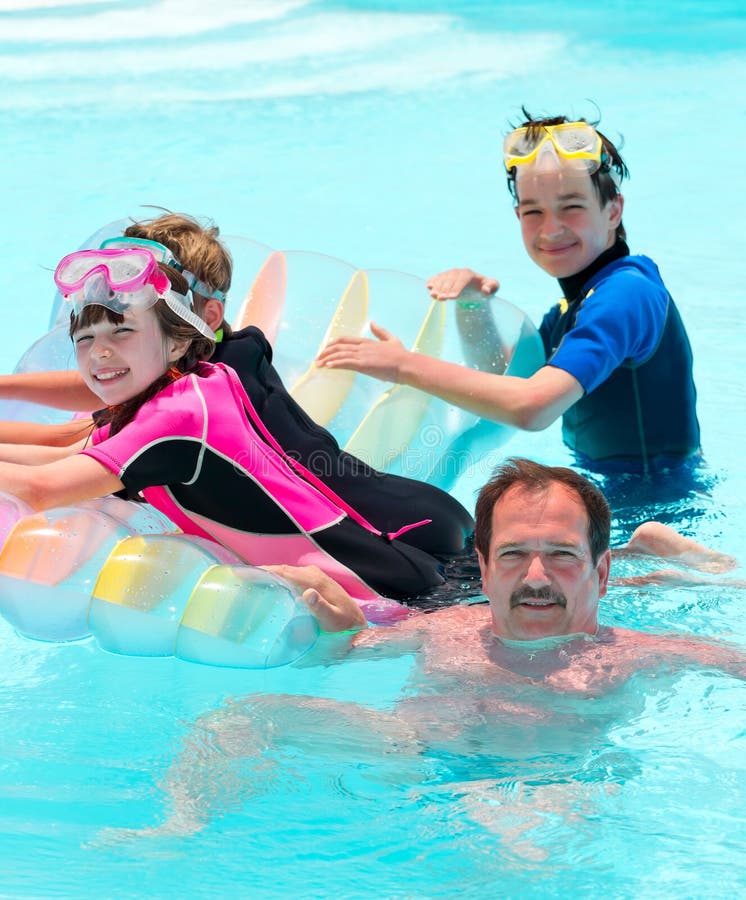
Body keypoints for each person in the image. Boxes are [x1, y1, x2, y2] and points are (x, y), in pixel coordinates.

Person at [108, 458, 742, 840]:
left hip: (548, 782)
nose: (536, 577)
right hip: (409, 755)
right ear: (484, 569)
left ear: (602, 574)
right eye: (513, 555)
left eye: (562, 556)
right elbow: (337, 660)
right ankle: (179, 832)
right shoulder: (445, 629)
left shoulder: (640, 653)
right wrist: (331, 625)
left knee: (525, 848)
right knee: (242, 720)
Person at [0, 245, 478, 625]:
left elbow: (41, 488)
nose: (100, 353)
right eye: (85, 339)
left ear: (179, 340)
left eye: (121, 332)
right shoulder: (180, 392)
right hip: (399, 566)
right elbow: (63, 457)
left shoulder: (179, 415)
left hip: (398, 597)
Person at [316, 113, 701, 475]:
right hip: (615, 490)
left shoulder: (626, 295)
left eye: (571, 206)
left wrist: (403, 366)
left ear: (613, 211)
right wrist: (473, 306)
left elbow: (532, 406)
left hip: (657, 500)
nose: (551, 229)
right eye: (534, 212)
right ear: (518, 216)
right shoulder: (574, 308)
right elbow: (504, 379)